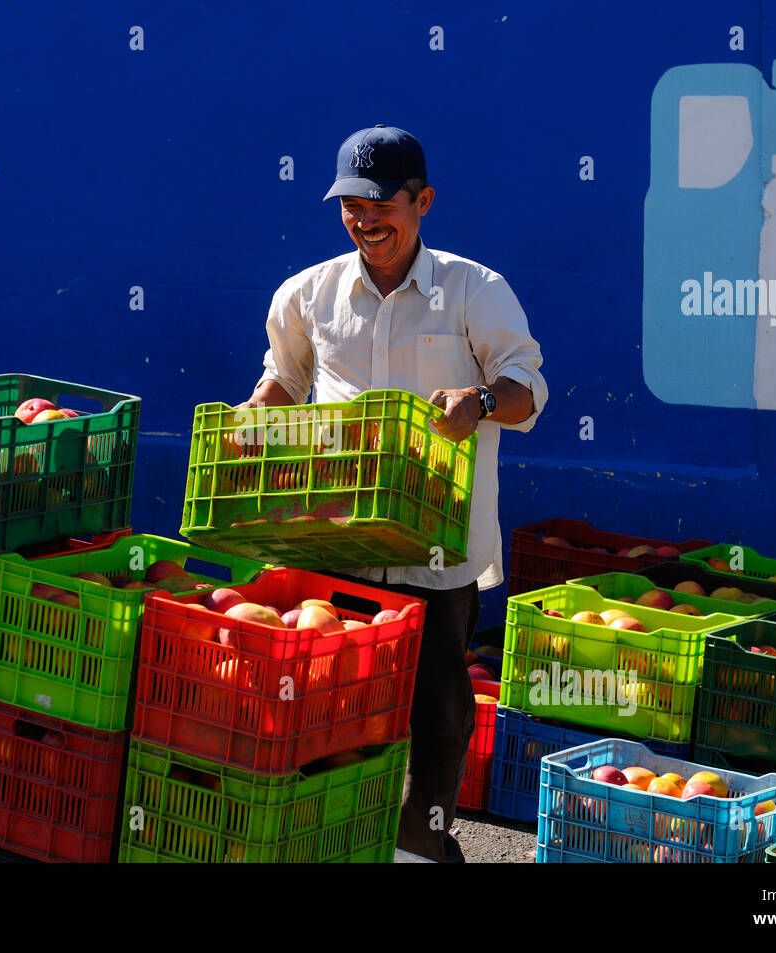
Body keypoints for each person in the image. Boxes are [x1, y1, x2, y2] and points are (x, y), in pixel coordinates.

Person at [237, 125, 548, 862]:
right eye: (350, 203)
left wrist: (476, 400)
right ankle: (340, 835)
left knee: (438, 708)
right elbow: (283, 376)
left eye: (380, 203)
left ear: (423, 202)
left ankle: (423, 845)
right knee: (337, 704)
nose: (364, 218)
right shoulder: (309, 293)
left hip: (439, 542)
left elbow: (527, 389)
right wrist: (260, 408)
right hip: (340, 536)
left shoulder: (476, 290)